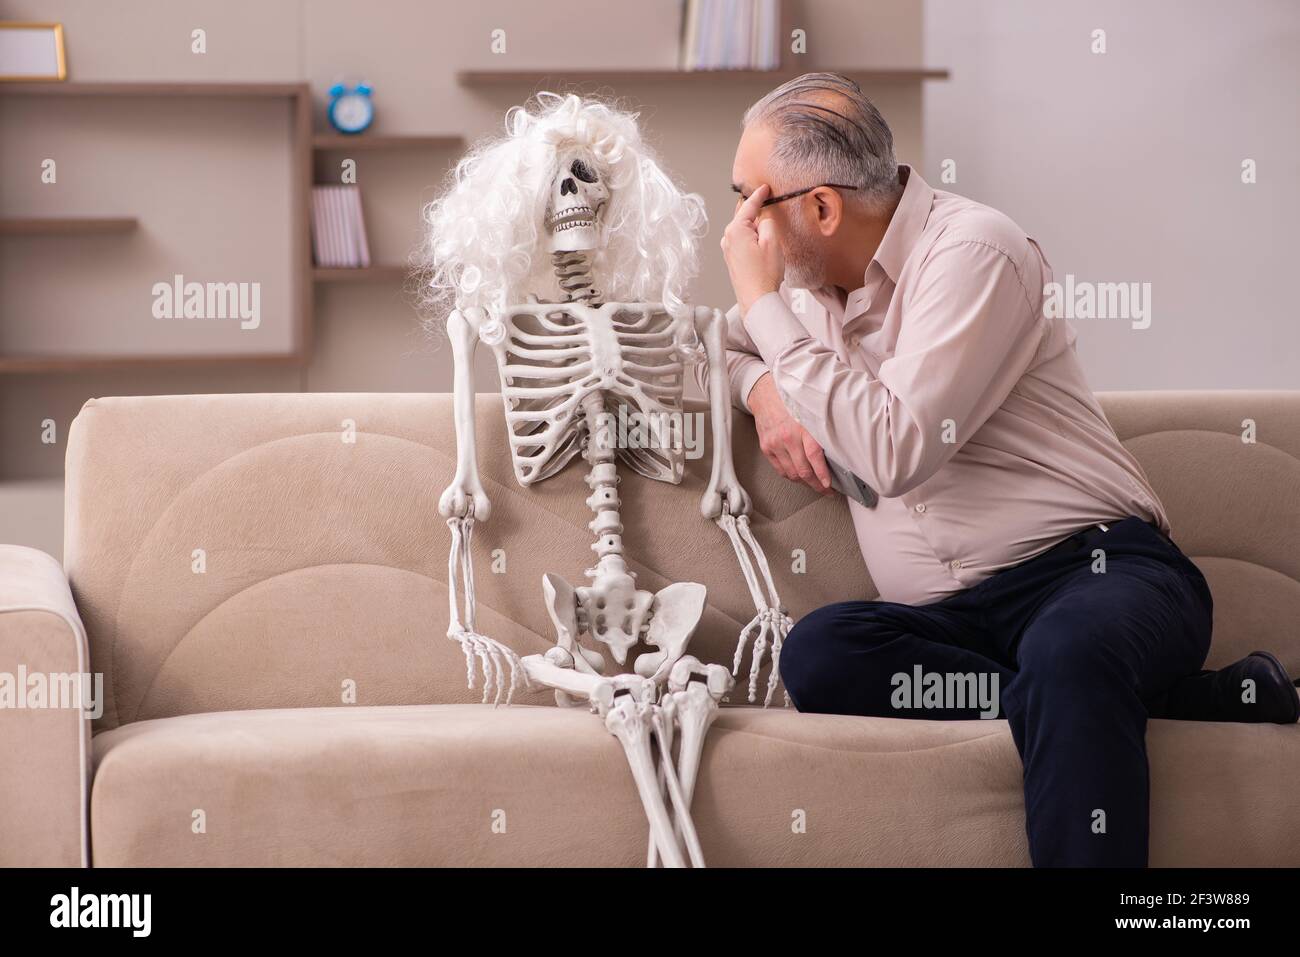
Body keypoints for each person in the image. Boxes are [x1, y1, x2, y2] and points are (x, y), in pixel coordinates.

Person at [710, 71, 1299, 867]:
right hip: (959, 624)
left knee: (1068, 654)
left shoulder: (975, 252)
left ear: (820, 208)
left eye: (752, 201)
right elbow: (700, 347)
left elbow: (896, 449)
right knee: (822, 651)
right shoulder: (812, 294)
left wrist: (762, 310)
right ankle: (1165, 700)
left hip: (1097, 572)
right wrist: (763, 390)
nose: (738, 230)